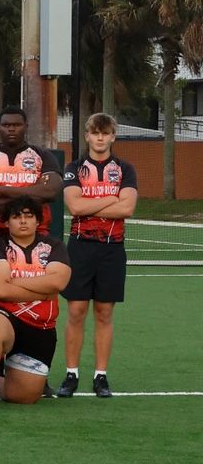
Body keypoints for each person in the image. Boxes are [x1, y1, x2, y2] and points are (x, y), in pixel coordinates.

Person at [59, 111, 137, 397]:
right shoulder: (73, 167)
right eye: (95, 132)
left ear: (113, 136)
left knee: (104, 313)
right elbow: (75, 208)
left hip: (113, 248)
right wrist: (110, 198)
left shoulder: (125, 169)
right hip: (80, 246)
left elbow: (127, 209)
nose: (100, 137)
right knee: (76, 311)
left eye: (105, 133)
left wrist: (90, 201)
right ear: (88, 135)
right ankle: (71, 374)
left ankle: (101, 376)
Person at [0, 203, 71, 405]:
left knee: (23, 397)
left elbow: (58, 282)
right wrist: (43, 292)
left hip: (40, 326)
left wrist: (13, 282)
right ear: (7, 222)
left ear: (38, 221)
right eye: (16, 217)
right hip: (4, 317)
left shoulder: (54, 246)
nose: (23, 221)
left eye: (28, 215)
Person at [0, 107, 63, 261]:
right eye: (6, 125)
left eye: (17, 125)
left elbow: (50, 192)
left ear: (26, 127)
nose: (11, 129)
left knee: (35, 284)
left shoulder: (43, 156)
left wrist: (0, 190)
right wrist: (30, 200)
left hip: (38, 235)